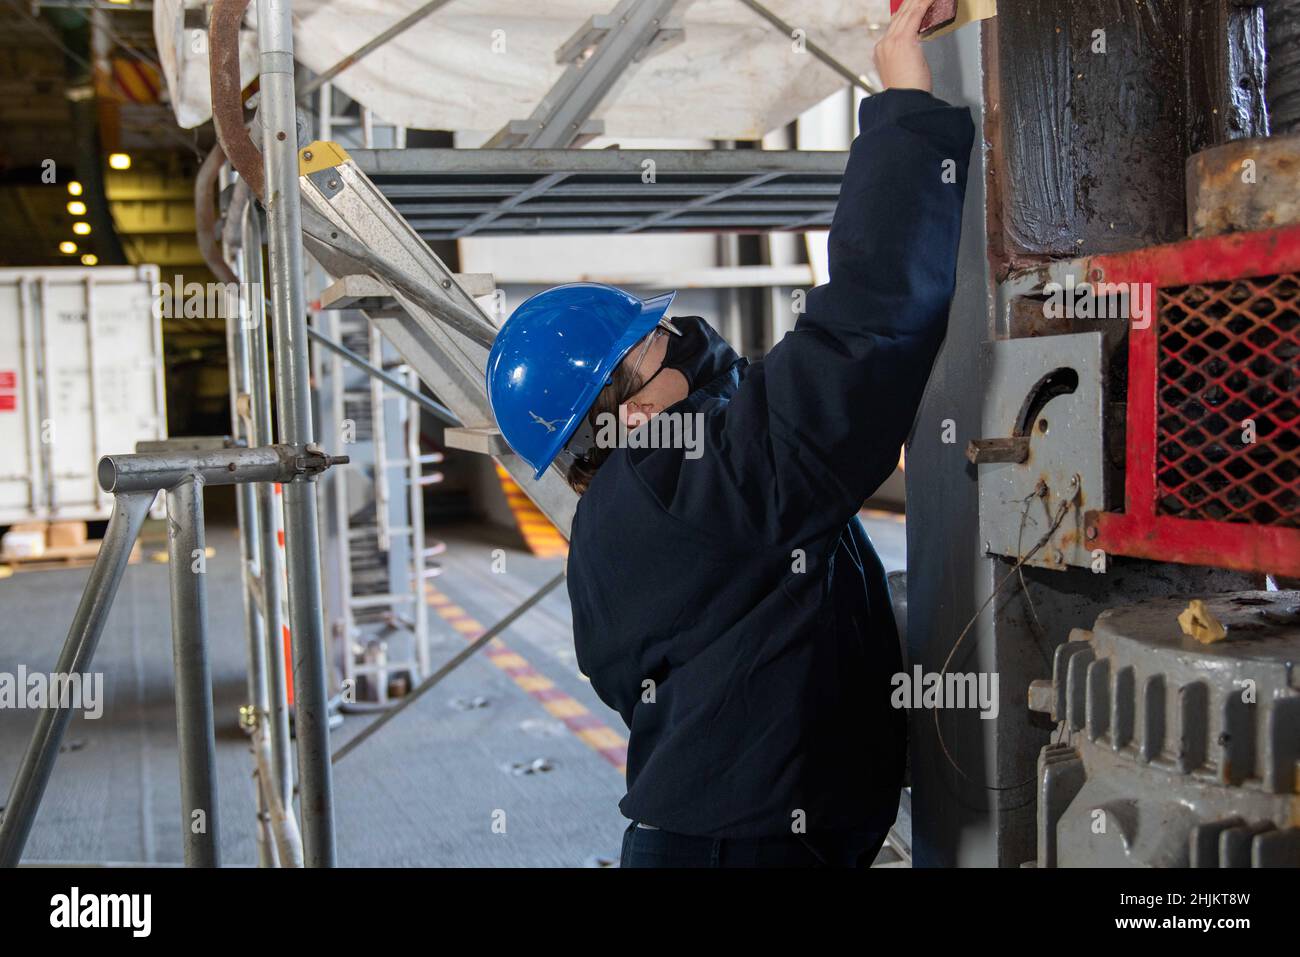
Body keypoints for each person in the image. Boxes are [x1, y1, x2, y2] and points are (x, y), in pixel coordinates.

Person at [485, 0, 974, 867]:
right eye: (659, 346)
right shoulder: (685, 484)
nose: (685, 340)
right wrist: (905, 113)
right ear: (630, 414)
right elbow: (859, 338)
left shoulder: (626, 514)